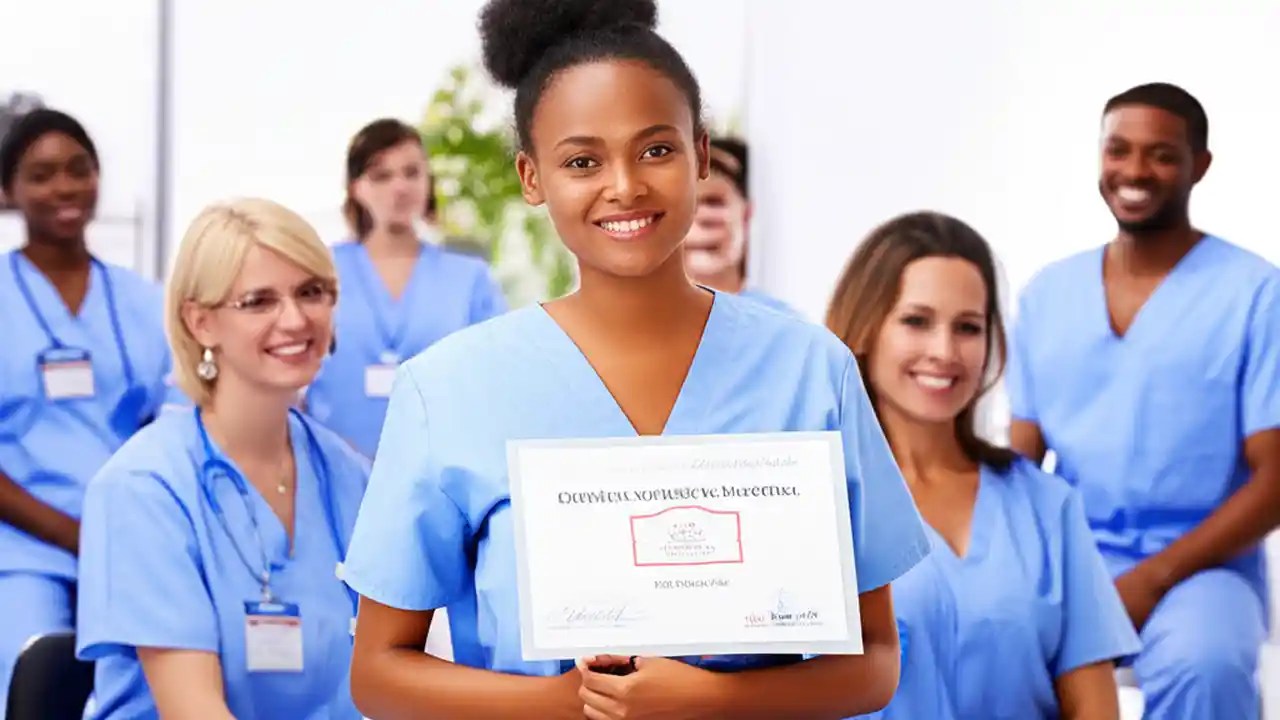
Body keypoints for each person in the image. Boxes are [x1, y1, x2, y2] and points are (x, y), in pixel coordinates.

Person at [339, 0, 931, 718]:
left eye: (656, 149)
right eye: (582, 161)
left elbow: (873, 662)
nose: (624, 186)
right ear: (532, 178)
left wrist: (710, 698)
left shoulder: (809, 371)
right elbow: (378, 673)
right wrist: (568, 702)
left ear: (702, 155)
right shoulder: (450, 389)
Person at [1007, 82, 1280, 719]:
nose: (1134, 171)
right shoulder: (1050, 294)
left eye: (1160, 154)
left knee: (1204, 664)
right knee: (982, 639)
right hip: (1073, 558)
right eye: (1118, 150)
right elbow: (1020, 461)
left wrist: (1150, 578)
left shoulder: (1255, 293)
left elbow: (1276, 480)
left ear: (1199, 166)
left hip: (1203, 567)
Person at [828, 211, 1139, 719]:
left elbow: (1094, 706)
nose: (944, 351)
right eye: (916, 321)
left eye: (968, 327)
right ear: (865, 327)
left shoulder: (1044, 506)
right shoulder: (819, 504)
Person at [74, 198, 370, 719]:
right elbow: (194, 710)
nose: (296, 319)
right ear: (200, 323)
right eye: (259, 301)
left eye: (311, 292)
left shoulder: (350, 476)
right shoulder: (142, 489)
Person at [0, 108, 178, 715]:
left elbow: (173, 424)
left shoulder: (144, 301)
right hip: (23, 555)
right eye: (43, 174)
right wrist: (78, 535)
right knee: (30, 679)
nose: (65, 187)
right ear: (9, 191)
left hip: (130, 545)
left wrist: (122, 531)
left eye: (79, 169)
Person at [304, 118, 507, 459]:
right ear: (356, 187)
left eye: (412, 173)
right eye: (381, 176)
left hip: (443, 465)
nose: (400, 187)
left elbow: (497, 377)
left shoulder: (470, 279)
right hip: (333, 465)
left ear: (429, 181)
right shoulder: (318, 273)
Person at [682, 136, 795, 314]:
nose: (699, 218)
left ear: (747, 214)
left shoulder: (788, 327)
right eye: (685, 204)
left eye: (714, 202)